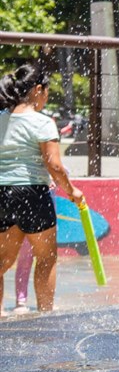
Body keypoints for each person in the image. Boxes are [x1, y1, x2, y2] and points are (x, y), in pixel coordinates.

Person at [0, 63, 84, 314]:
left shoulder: (1, 119)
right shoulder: (42, 122)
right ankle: (45, 314)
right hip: (33, 194)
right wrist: (71, 191)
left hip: (2, 193)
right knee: (46, 259)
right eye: (46, 91)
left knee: (2, 262)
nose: (46, 97)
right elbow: (54, 165)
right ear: (38, 89)